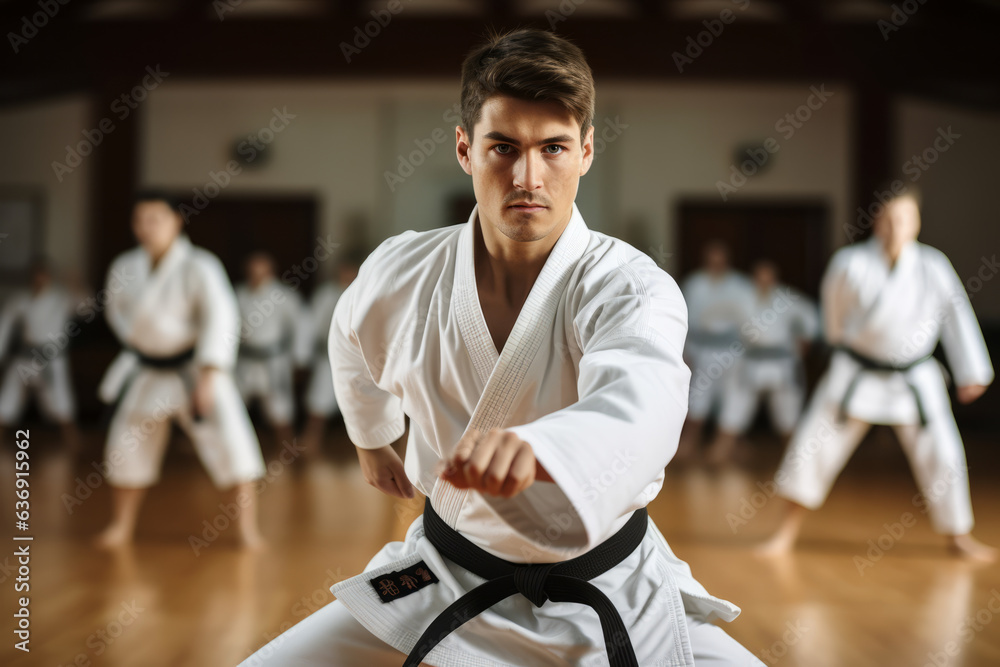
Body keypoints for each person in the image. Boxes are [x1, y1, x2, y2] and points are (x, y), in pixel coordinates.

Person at [240, 28, 761, 667]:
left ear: (587, 151)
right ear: (465, 149)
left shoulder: (629, 286)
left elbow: (644, 401)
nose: (527, 176)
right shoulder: (404, 269)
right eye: (503, 147)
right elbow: (349, 336)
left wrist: (545, 450)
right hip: (442, 575)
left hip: (611, 589)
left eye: (553, 148)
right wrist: (372, 435)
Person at [758, 186, 995, 561]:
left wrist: (972, 371)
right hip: (857, 373)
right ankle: (785, 533)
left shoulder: (933, 265)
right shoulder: (849, 263)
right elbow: (833, 320)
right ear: (876, 222)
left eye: (903, 218)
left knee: (945, 456)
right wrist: (845, 342)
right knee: (811, 447)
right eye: (887, 218)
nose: (895, 226)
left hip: (914, 377)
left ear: (916, 223)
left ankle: (959, 536)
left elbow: (956, 317)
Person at [94, 192, 266, 549]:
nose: (147, 227)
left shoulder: (200, 265)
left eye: (155, 218)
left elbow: (220, 319)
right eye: (140, 220)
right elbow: (116, 312)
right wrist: (146, 343)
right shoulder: (125, 266)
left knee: (235, 446)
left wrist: (209, 373)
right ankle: (121, 526)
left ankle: (248, 531)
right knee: (126, 446)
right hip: (146, 368)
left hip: (196, 368)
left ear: (176, 221)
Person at [705, 260, 819, 466]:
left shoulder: (786, 297)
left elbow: (810, 315)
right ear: (754, 277)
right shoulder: (742, 298)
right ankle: (718, 455)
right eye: (760, 276)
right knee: (734, 409)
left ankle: (798, 463)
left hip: (781, 363)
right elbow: (714, 315)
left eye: (768, 276)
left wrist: (806, 339)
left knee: (788, 417)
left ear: (775, 278)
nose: (764, 280)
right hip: (751, 361)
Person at [676, 241, 754, 463]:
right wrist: (684, 351)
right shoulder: (695, 284)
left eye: (720, 259)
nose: (716, 263)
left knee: (733, 396)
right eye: (712, 259)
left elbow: (750, 319)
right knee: (698, 395)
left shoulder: (740, 285)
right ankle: (691, 442)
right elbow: (684, 319)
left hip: (733, 349)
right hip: (702, 347)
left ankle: (725, 444)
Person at [0, 258, 81, 450]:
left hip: (52, 357)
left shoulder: (61, 297)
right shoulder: (20, 299)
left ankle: (72, 437)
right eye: (36, 274)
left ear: (49, 276)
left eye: (43, 274)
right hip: (26, 356)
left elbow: (85, 304)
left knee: (60, 396)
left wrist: (76, 283)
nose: (39, 278)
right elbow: (4, 327)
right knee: (9, 394)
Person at [235, 251, 309, 448]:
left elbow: (301, 326)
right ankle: (239, 448)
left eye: (262, 270)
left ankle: (286, 448)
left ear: (270, 271)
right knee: (236, 404)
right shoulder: (239, 294)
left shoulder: (283, 295)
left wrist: (299, 359)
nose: (257, 274)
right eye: (253, 270)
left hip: (274, 360)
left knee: (279, 407)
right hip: (246, 359)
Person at [299, 253, 360, 458]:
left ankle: (367, 447)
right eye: (345, 269)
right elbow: (309, 326)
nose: (348, 274)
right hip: (330, 357)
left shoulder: (365, 291)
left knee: (362, 401)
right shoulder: (325, 295)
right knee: (319, 401)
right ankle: (311, 441)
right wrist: (303, 357)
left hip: (362, 359)